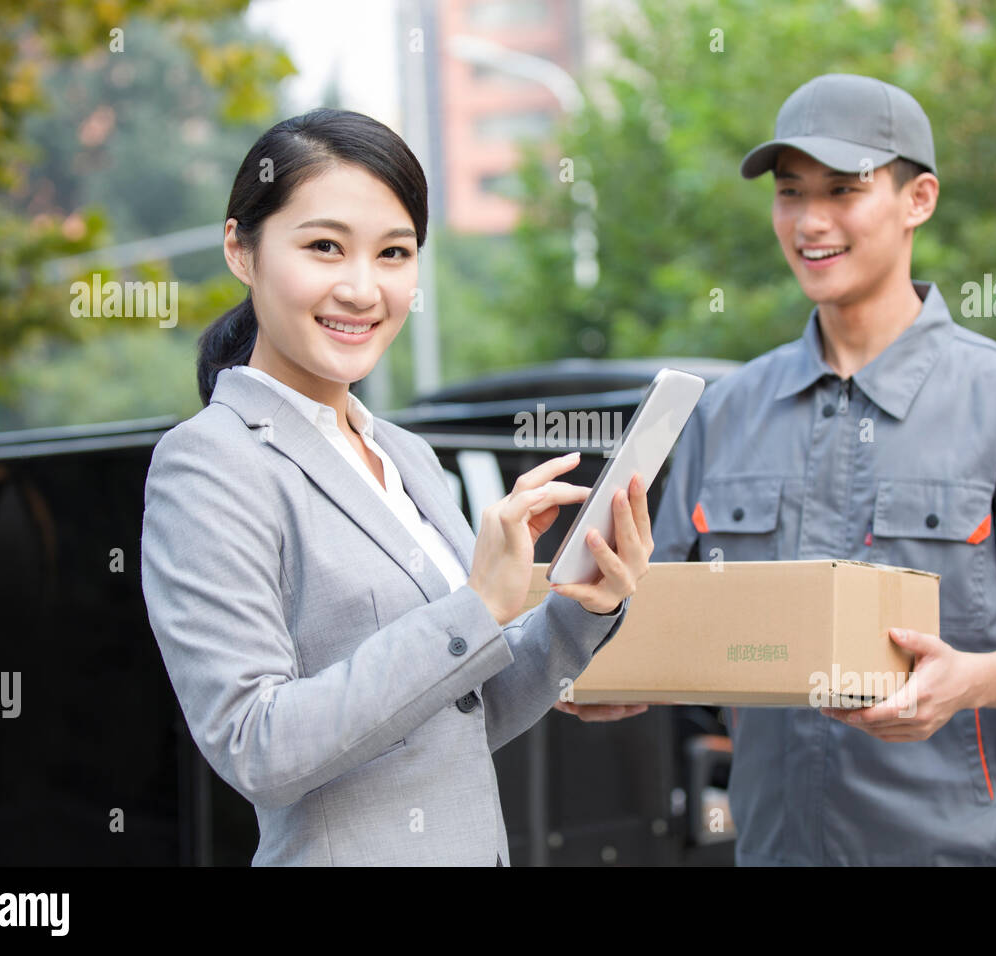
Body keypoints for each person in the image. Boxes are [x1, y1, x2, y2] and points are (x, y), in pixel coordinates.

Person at [557, 74, 996, 865]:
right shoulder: (729, 410)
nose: (810, 221)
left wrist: (972, 679)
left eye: (843, 191)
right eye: (790, 193)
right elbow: (664, 612)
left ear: (917, 199)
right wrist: (616, 668)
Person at [140, 109, 653, 866]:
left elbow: (466, 709)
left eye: (393, 253)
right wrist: (476, 606)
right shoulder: (210, 463)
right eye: (323, 247)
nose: (361, 289)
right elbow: (255, 745)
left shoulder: (405, 455)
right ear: (240, 250)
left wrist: (584, 610)